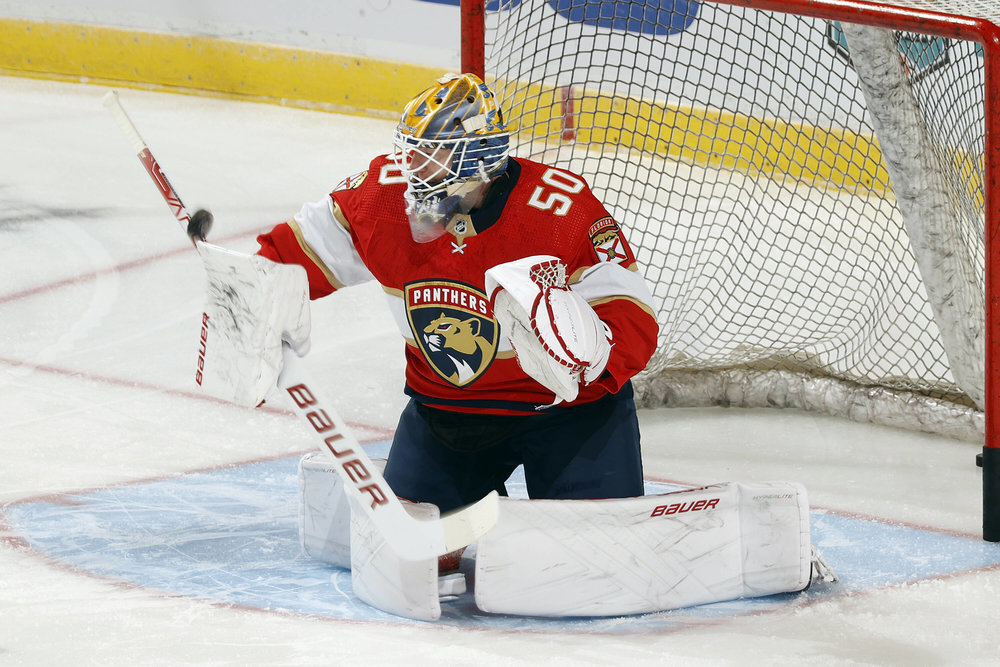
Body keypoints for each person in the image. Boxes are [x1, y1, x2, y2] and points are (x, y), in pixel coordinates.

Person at [255, 72, 658, 514]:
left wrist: (592, 361)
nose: (414, 168)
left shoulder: (561, 210)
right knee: (417, 553)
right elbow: (283, 263)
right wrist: (255, 299)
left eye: (434, 154)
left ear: (481, 156)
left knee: (592, 553)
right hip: (447, 414)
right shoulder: (379, 198)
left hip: (572, 415)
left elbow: (632, 316)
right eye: (412, 151)